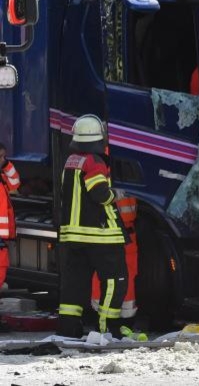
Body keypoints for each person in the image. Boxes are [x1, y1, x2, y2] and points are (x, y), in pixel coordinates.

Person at [56, 115, 133, 339]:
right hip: (101, 235)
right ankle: (107, 327)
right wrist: (115, 194)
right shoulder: (94, 162)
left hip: (74, 236)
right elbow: (99, 193)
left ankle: (68, 328)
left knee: (75, 283)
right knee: (114, 280)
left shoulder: (71, 160)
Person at [91, 190, 140, 327]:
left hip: (109, 230)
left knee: (104, 271)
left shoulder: (102, 174)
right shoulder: (125, 175)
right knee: (125, 274)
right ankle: (124, 317)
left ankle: (102, 314)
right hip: (124, 230)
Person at [0, 142, 21, 289]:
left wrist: (6, 164)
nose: (3, 160)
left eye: (4, 157)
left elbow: (15, 183)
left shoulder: (2, 176)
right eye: (1, 157)